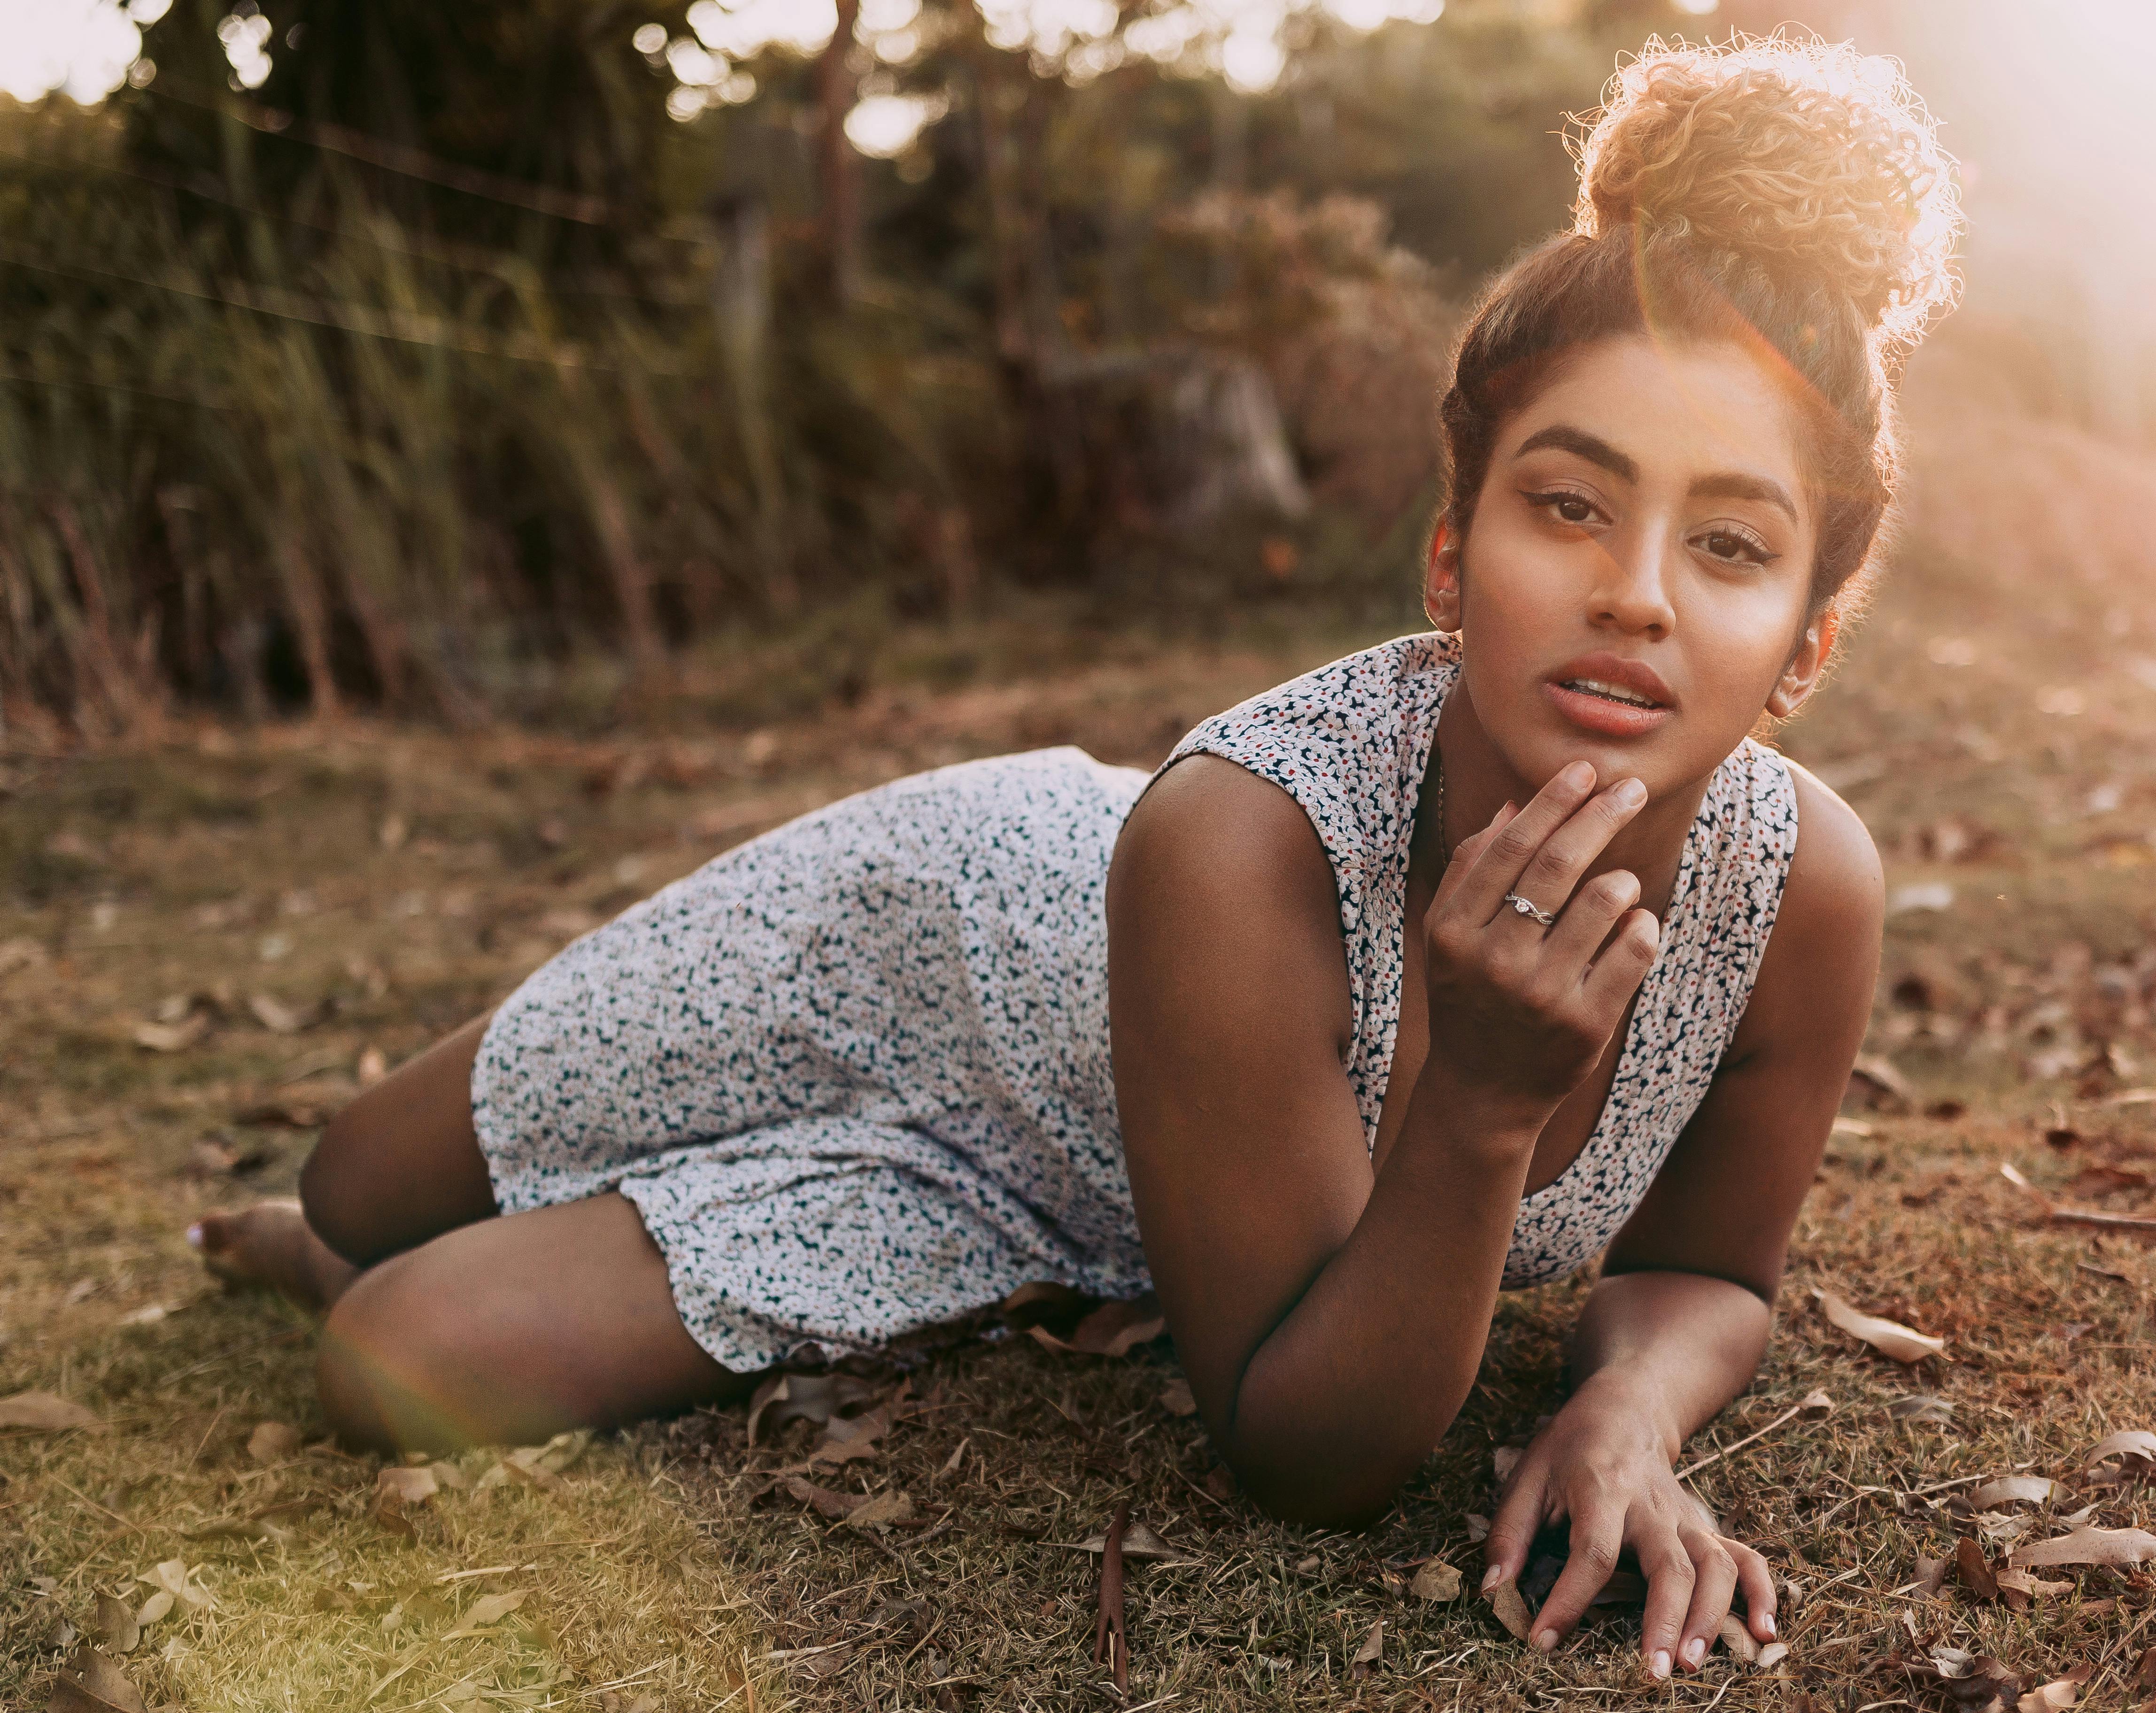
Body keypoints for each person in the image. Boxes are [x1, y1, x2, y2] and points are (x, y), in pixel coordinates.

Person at [192, 34, 1958, 1681]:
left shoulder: (1800, 890)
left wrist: (1626, 1409)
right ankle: (344, 1220)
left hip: (1052, 1182)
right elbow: (1319, 1459)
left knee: (394, 1363)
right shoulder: (1240, 838)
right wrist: (1488, 1097)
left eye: (1730, 544)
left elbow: (1671, 1290)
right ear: (1448, 557)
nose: (1634, 591)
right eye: (1568, 503)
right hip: (955, 942)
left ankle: (1036, 1264)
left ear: (1807, 641)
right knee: (358, 1189)